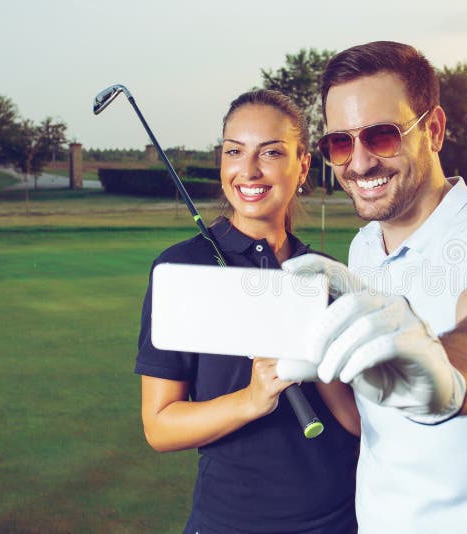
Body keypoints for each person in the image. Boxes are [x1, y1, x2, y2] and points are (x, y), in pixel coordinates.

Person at [280, 42, 467, 533]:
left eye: (382, 136)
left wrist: (447, 376)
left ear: (433, 129)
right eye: (341, 144)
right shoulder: (365, 248)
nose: (360, 163)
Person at [134, 89, 360, 534]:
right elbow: (160, 427)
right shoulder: (182, 269)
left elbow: (355, 421)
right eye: (234, 151)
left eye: (271, 152)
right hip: (231, 521)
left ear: (303, 166)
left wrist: (317, 359)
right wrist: (252, 400)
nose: (249, 170)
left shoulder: (327, 276)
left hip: (339, 519)